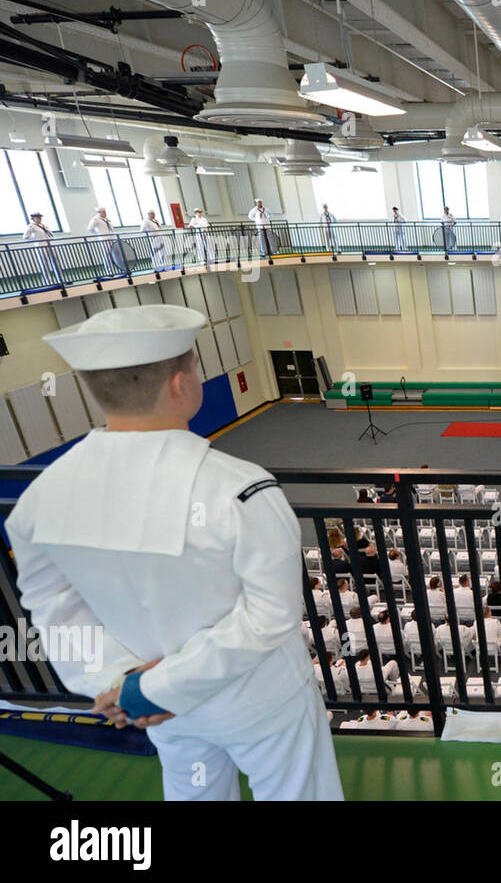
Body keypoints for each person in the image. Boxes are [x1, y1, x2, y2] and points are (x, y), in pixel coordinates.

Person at [8, 304, 343, 800]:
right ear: (181, 384)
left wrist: (121, 685)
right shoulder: (242, 489)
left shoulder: (37, 502)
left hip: (160, 710)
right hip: (258, 703)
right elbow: (270, 617)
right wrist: (156, 687)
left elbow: (55, 612)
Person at [23, 212, 60, 283]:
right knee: (44, 263)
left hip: (49, 245)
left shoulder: (44, 226)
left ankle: (61, 279)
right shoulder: (31, 226)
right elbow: (26, 236)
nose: (39, 219)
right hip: (40, 246)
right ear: (33, 219)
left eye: (40, 217)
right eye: (37, 217)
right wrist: (36, 239)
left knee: (56, 262)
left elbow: (50, 234)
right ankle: (49, 281)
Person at [87, 207, 125, 275]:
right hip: (104, 239)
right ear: (99, 212)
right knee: (107, 255)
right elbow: (90, 229)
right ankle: (110, 271)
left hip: (112, 238)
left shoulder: (107, 219)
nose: (105, 213)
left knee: (117, 253)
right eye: (103, 212)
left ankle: (121, 269)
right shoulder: (95, 219)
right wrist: (99, 234)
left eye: (105, 211)